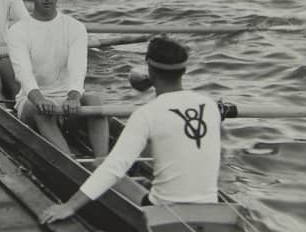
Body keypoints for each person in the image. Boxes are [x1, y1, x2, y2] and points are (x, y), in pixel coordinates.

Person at [39, 37, 223, 224]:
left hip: (164, 214)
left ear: (150, 70)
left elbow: (113, 168)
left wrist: (69, 206)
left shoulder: (146, 114)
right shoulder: (210, 106)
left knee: (100, 165)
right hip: (211, 210)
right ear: (183, 70)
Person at [8, 0, 109, 159]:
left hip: (67, 102)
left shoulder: (76, 28)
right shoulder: (18, 31)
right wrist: (40, 100)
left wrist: (73, 96)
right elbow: (24, 74)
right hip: (33, 103)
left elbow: (78, 69)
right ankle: (70, 162)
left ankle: (102, 161)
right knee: (38, 109)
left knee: (95, 101)